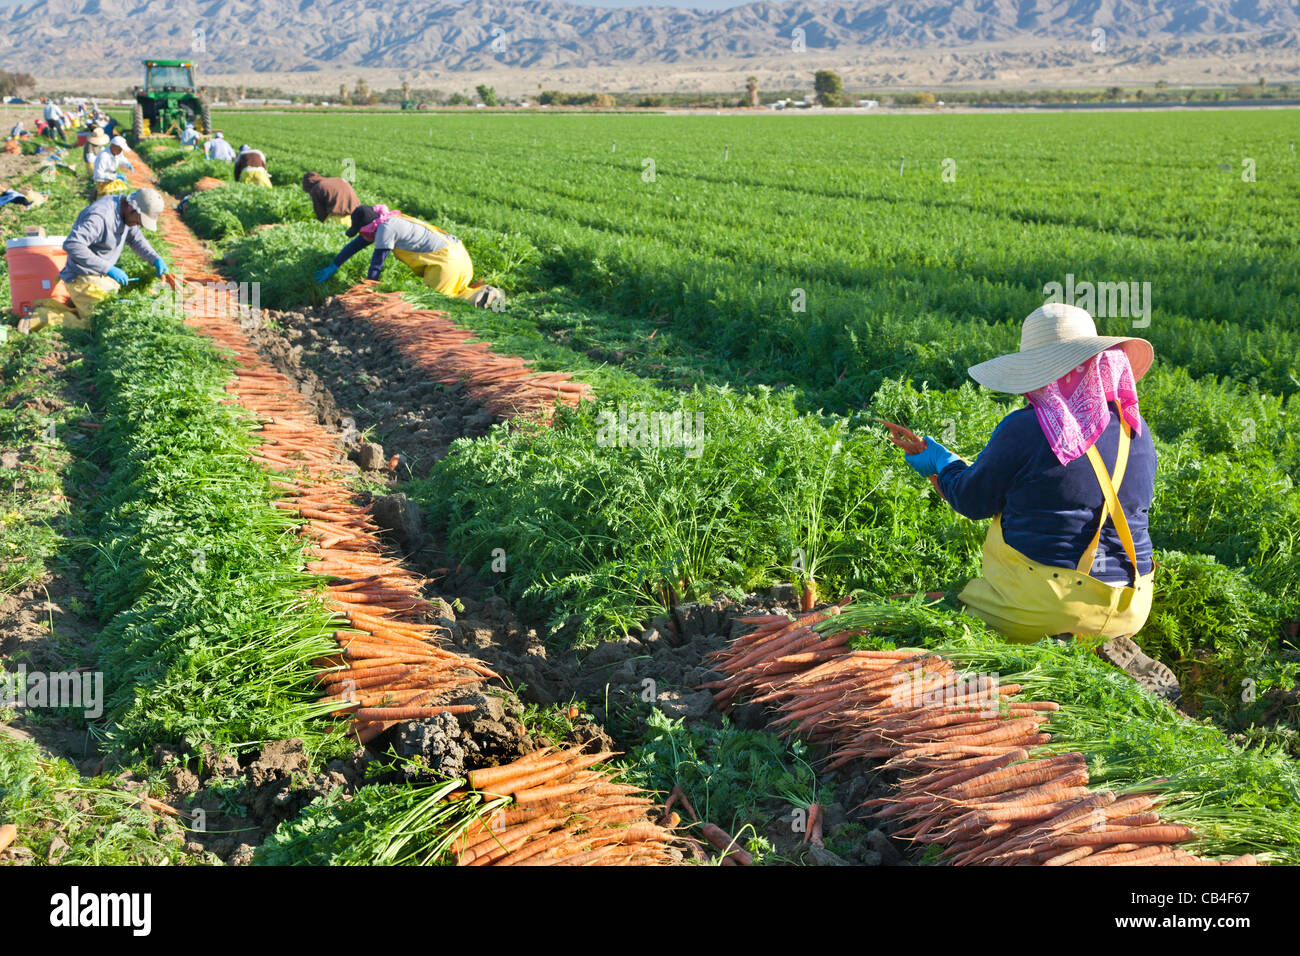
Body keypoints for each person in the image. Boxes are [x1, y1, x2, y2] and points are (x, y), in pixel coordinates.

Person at [901, 303, 1177, 700]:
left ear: (1036, 372)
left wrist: (941, 464)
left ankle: (1040, 644)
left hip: (1042, 605)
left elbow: (973, 501)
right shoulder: (1137, 429)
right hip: (1131, 603)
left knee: (955, 614)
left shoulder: (1026, 428)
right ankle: (1104, 644)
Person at [315, 204, 503, 309]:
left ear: (368, 226)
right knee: (457, 292)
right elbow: (357, 244)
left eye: (361, 230)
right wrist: (335, 264)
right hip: (458, 257)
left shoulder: (385, 229)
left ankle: (485, 299)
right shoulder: (388, 221)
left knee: (441, 306)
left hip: (445, 265)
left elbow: (376, 265)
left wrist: (368, 292)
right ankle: (486, 294)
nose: (362, 235)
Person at [54, 189, 169, 326]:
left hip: (102, 276)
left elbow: (135, 239)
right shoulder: (100, 216)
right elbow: (73, 244)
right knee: (97, 322)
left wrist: (155, 258)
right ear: (132, 208)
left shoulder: (125, 213)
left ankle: (79, 306)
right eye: (139, 221)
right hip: (82, 278)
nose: (138, 225)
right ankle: (43, 317)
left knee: (113, 312)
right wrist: (108, 268)